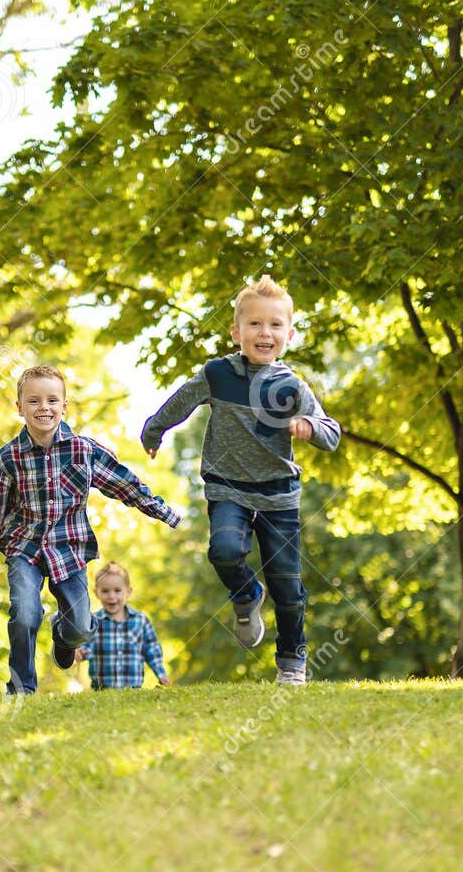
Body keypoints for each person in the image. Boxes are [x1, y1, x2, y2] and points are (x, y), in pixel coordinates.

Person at [141, 277, 340, 684]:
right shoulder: (218, 374)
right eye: (254, 324)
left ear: (289, 333)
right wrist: (153, 430)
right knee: (225, 551)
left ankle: (292, 662)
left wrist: (308, 426)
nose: (264, 333)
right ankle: (247, 595)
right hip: (227, 486)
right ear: (236, 332)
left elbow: (331, 433)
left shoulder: (292, 386)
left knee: (287, 584)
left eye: (274, 325)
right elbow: (182, 400)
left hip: (278, 496)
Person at [0, 365, 181, 694]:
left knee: (81, 628)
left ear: (64, 406)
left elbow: (125, 485)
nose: (44, 408)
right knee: (24, 613)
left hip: (69, 549)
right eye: (34, 401)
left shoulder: (83, 450)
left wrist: (161, 510)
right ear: (19, 407)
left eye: (52, 400)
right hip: (24, 548)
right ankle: (21, 688)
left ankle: (63, 635)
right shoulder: (8, 457)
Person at [76, 562, 171, 689]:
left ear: (128, 591)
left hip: (133, 689)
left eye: (117, 590)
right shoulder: (93, 622)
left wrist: (161, 674)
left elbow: (152, 651)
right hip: (102, 690)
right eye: (105, 591)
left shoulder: (140, 621)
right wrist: (80, 652)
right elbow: (85, 647)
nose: (111, 596)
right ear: (96, 593)